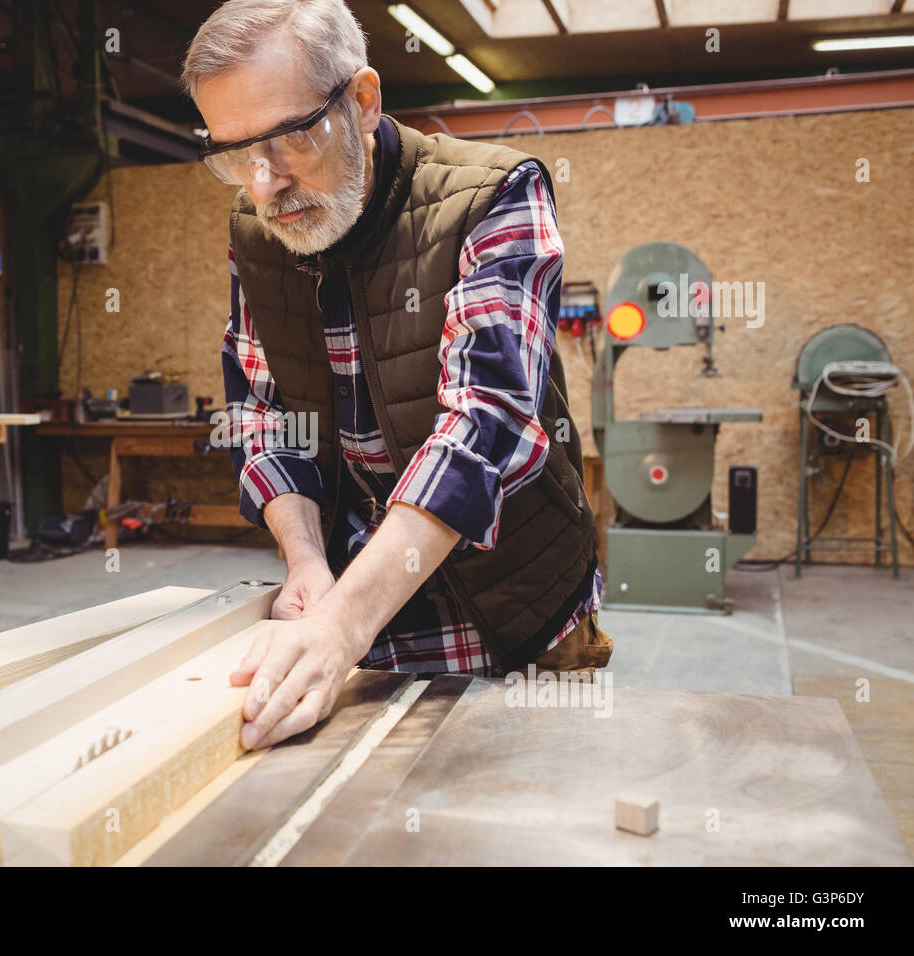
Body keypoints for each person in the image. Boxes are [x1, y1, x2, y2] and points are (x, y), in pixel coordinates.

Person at [182, 0, 612, 750]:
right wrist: (309, 561)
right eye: (233, 155)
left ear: (363, 100)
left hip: (519, 613)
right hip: (365, 609)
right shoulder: (256, 234)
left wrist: (339, 625)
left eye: (286, 141)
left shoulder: (495, 194)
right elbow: (260, 413)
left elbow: (485, 423)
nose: (263, 185)